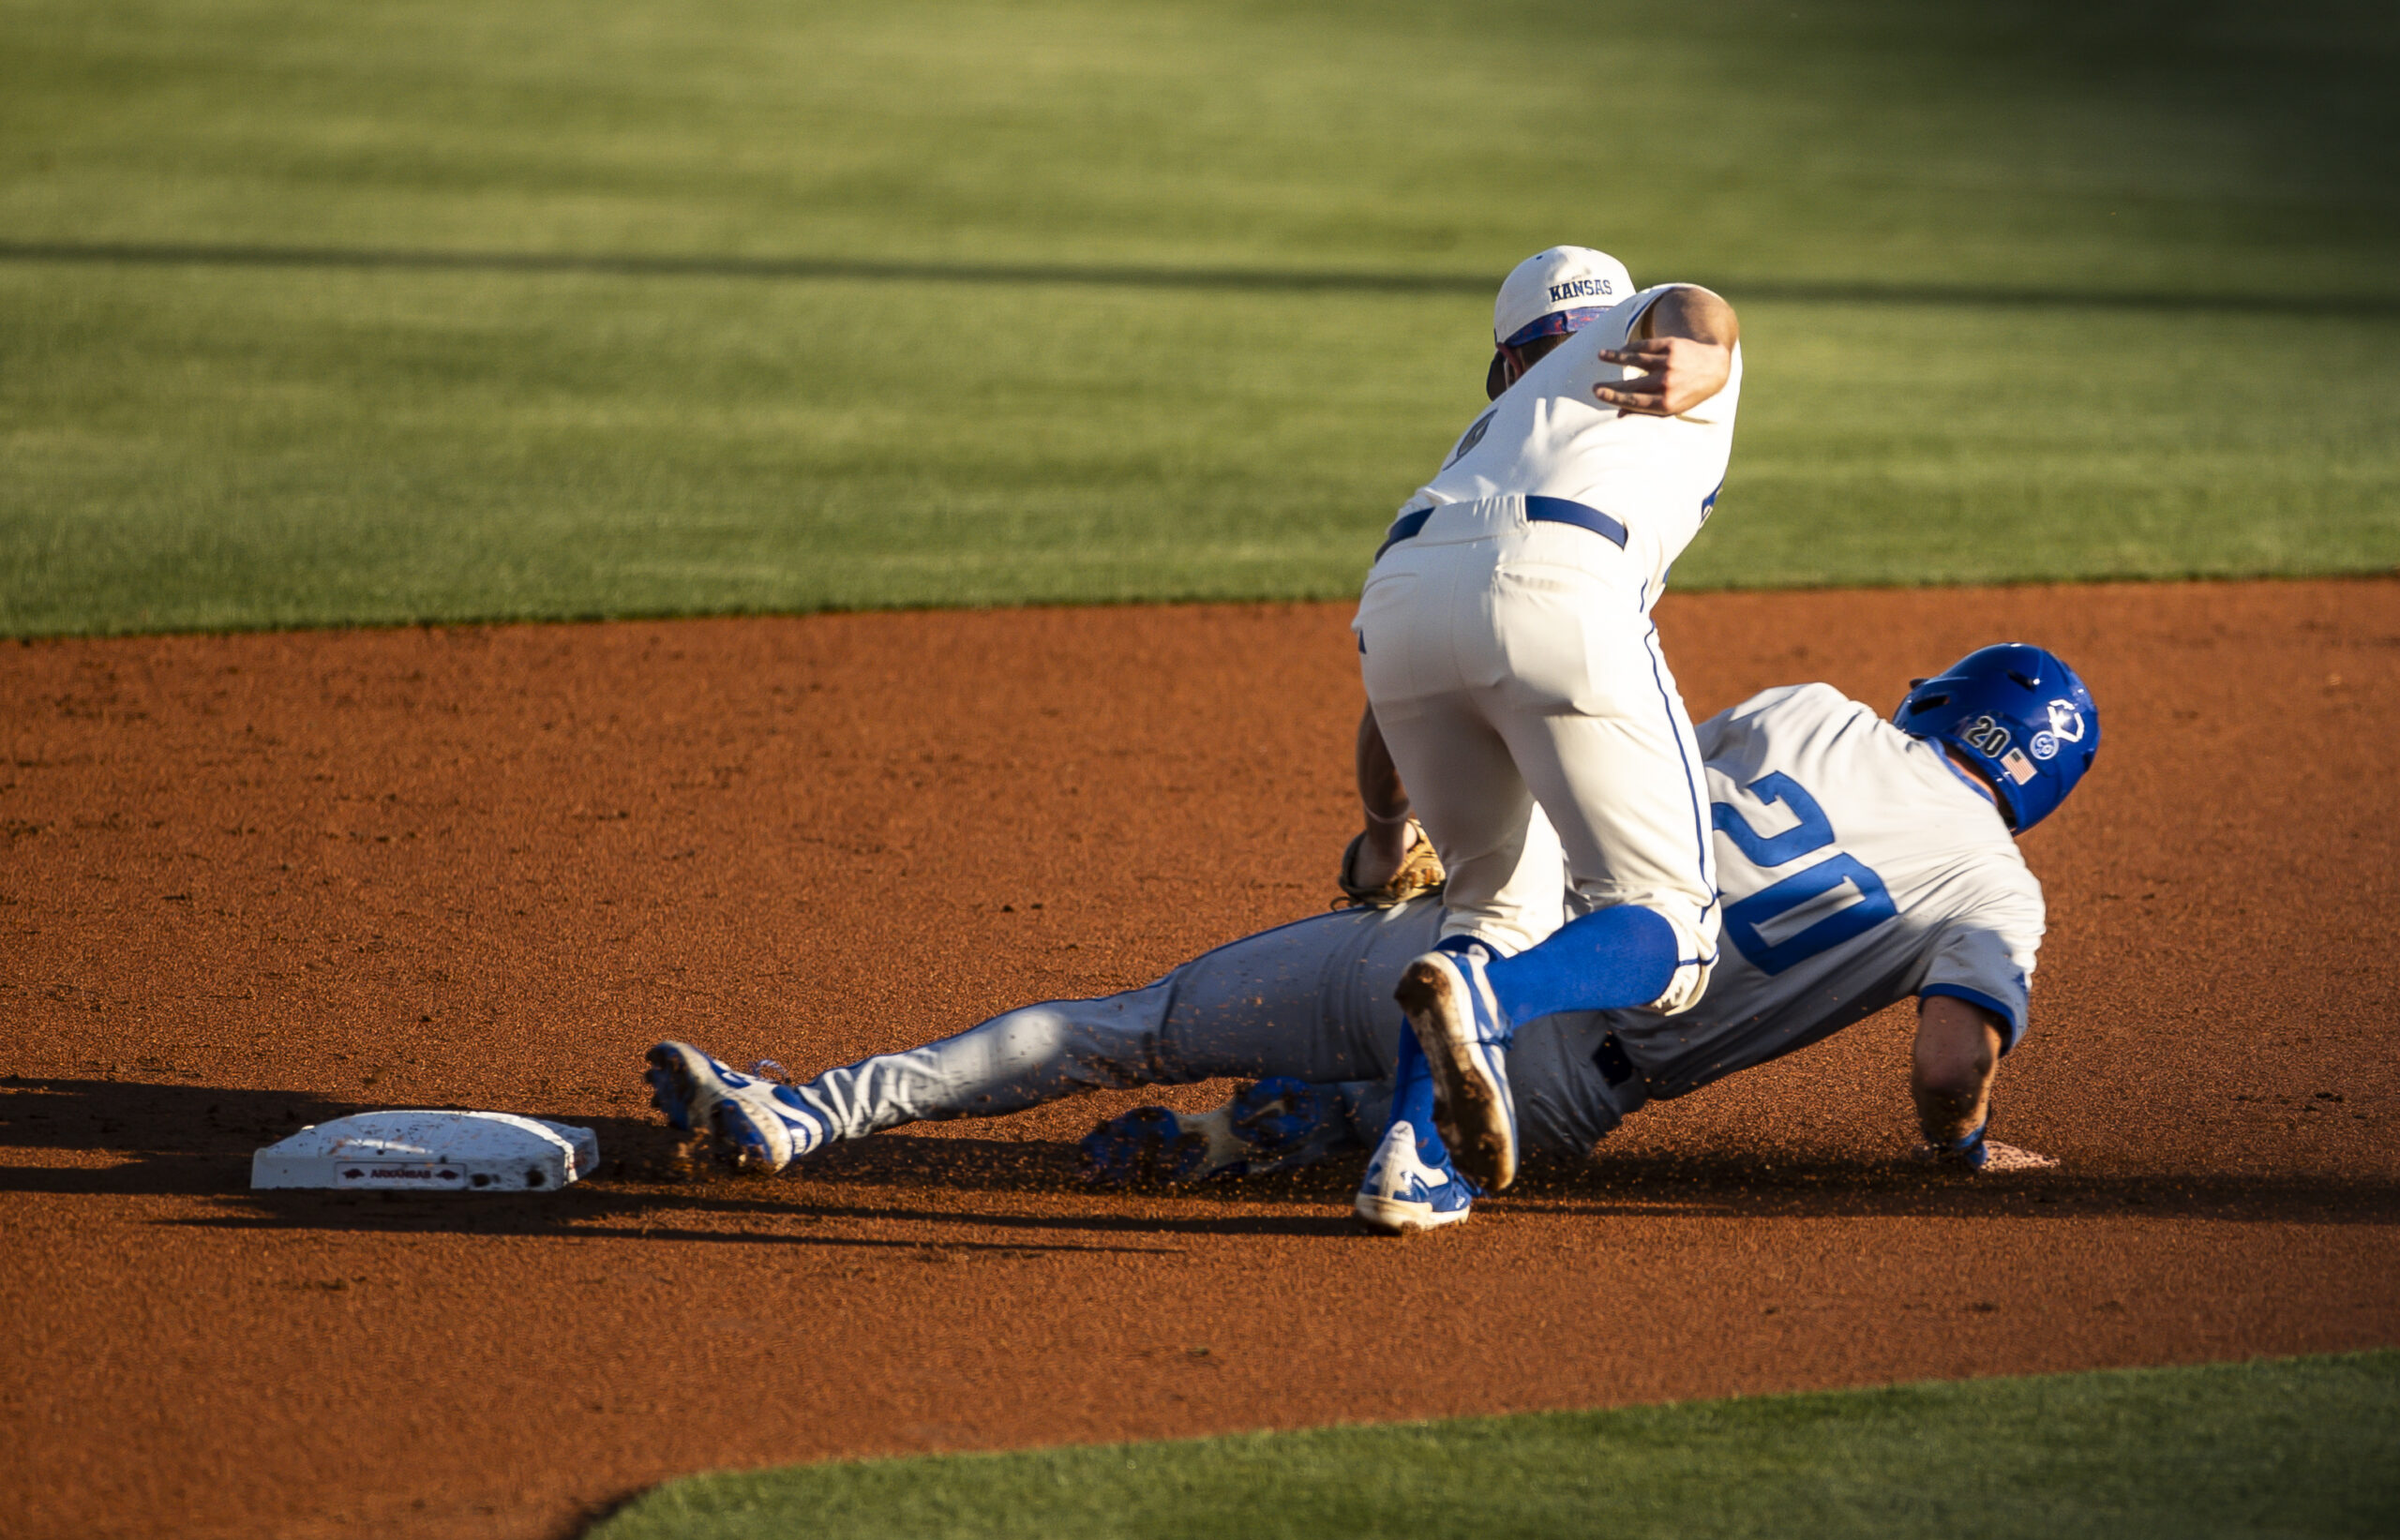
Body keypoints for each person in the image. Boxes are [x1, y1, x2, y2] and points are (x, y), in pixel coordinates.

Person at [640, 643, 2101, 1234]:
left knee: (1117, 1023)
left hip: (1453, 931)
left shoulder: (1815, 711)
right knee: (1442, 1118)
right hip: (1556, 1089)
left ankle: (805, 1111)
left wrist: (1430, 832)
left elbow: (1607, 775)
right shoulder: (1996, 893)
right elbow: (1949, 1049)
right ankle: (1303, 1129)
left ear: (1937, 700)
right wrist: (1955, 1142)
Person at [1349, 246, 1744, 1194]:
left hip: (1396, 605)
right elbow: (1694, 303)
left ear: (1512, 361)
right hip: (1559, 588)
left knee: (1487, 908)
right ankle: (1491, 999)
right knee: (1674, 929)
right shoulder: (1644, 333)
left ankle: (1412, 1160)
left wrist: (1383, 833)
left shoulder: (1481, 436)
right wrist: (1710, 353)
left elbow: (1383, 726)